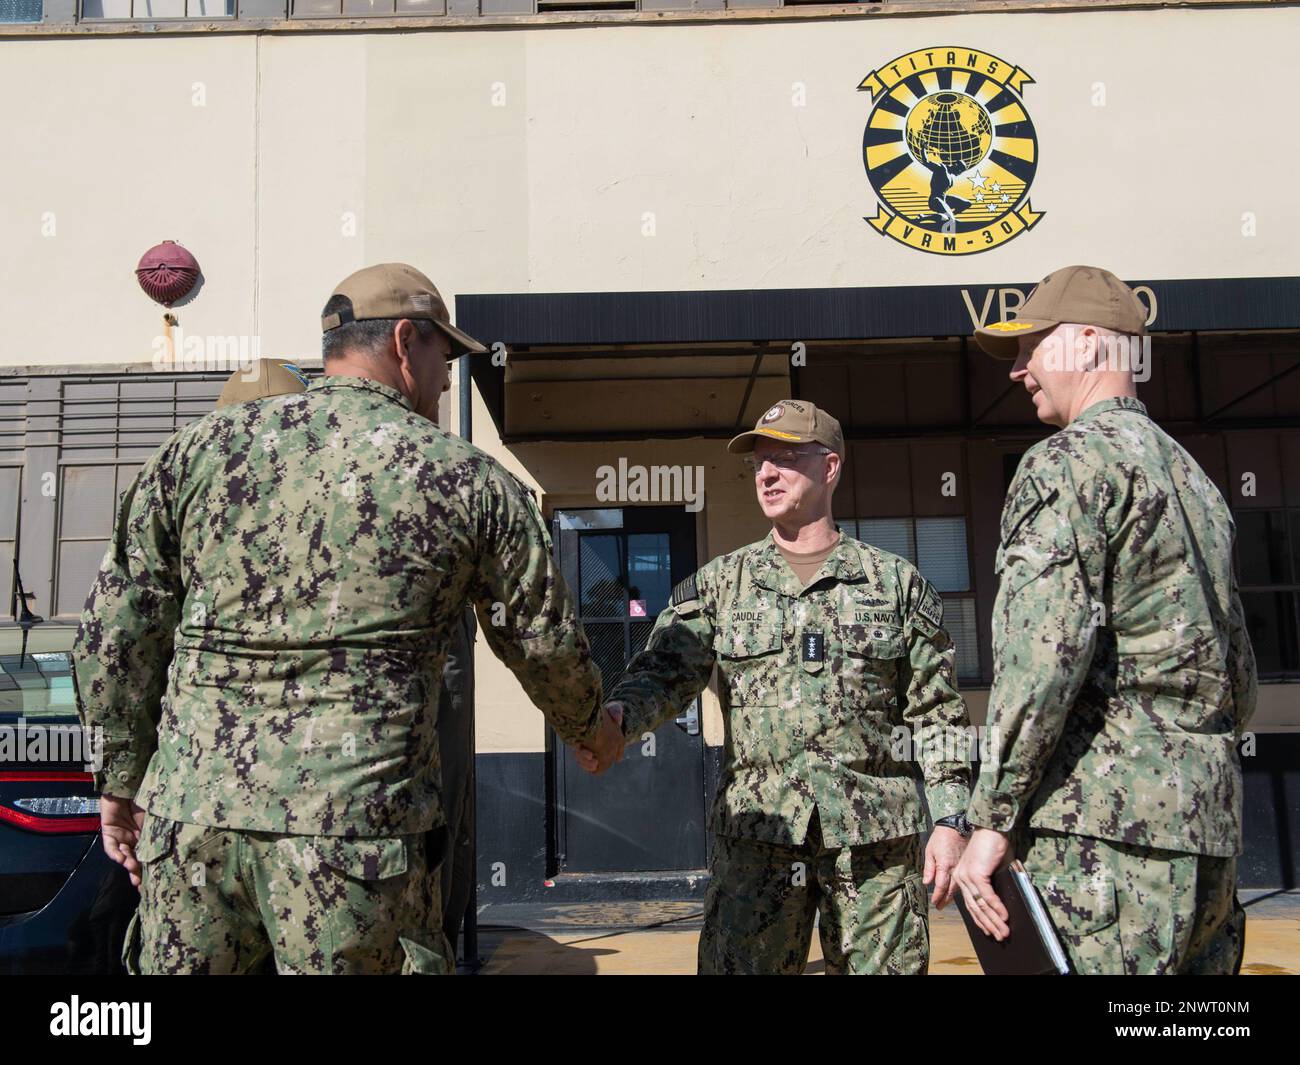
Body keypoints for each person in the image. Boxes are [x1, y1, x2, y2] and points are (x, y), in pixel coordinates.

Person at [73, 262, 623, 974]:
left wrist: (120, 780)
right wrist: (592, 731)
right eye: (443, 355)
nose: (448, 378)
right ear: (404, 340)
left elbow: (115, 632)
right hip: (358, 844)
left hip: (194, 829)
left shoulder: (194, 453)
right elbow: (542, 643)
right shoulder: (469, 479)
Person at [581, 399, 973, 975]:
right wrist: (616, 718)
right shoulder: (720, 586)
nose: (765, 474)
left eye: (785, 459)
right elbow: (664, 673)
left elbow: (938, 714)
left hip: (874, 848)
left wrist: (950, 820)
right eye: (761, 462)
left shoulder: (895, 586)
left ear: (830, 468)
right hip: (758, 839)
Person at [953, 265, 1256, 974]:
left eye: (1033, 347)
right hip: (1208, 832)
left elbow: (1040, 662)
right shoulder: (1194, 478)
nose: (1019, 370)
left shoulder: (1063, 463)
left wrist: (991, 818)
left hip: (1106, 842)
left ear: (1089, 344)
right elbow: (1237, 672)